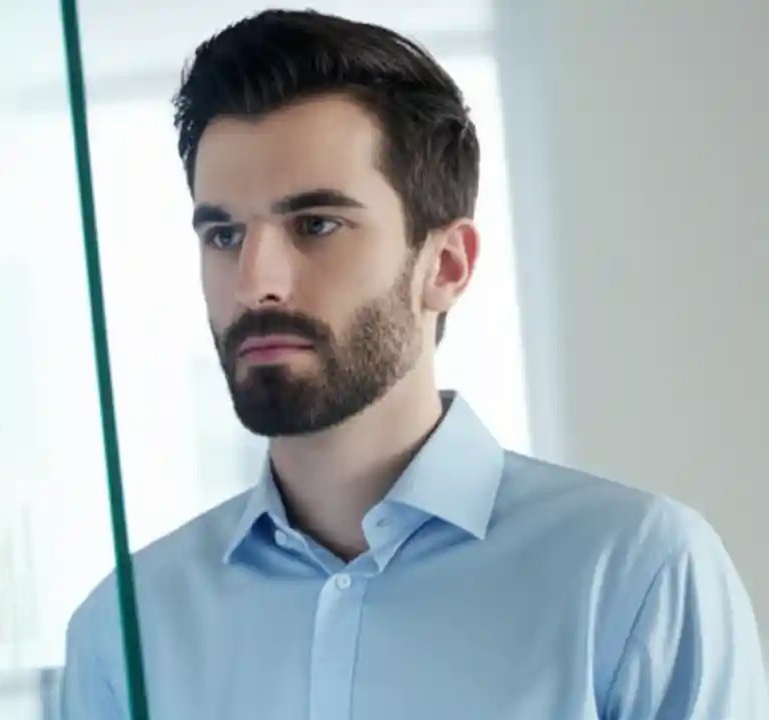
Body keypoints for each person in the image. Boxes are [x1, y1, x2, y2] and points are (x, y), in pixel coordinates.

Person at [60, 9, 769, 720]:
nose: (255, 281)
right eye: (224, 233)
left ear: (448, 265)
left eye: (317, 225)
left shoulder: (635, 575)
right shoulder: (125, 632)